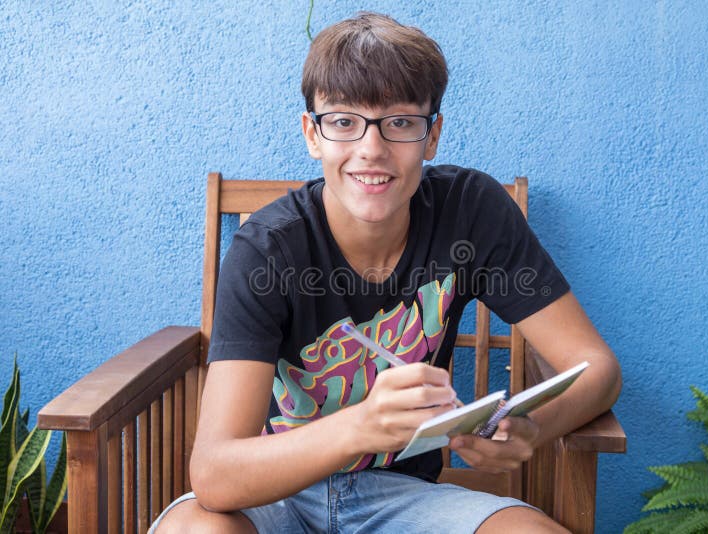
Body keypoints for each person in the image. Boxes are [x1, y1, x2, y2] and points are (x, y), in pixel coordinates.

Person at [152, 11, 621, 534]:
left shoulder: (471, 213)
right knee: (195, 528)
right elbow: (215, 475)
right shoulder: (269, 250)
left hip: (406, 497)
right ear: (313, 134)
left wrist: (533, 427)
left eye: (399, 122)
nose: (371, 149)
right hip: (274, 489)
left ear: (433, 134)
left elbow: (598, 368)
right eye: (344, 121)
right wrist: (360, 427)